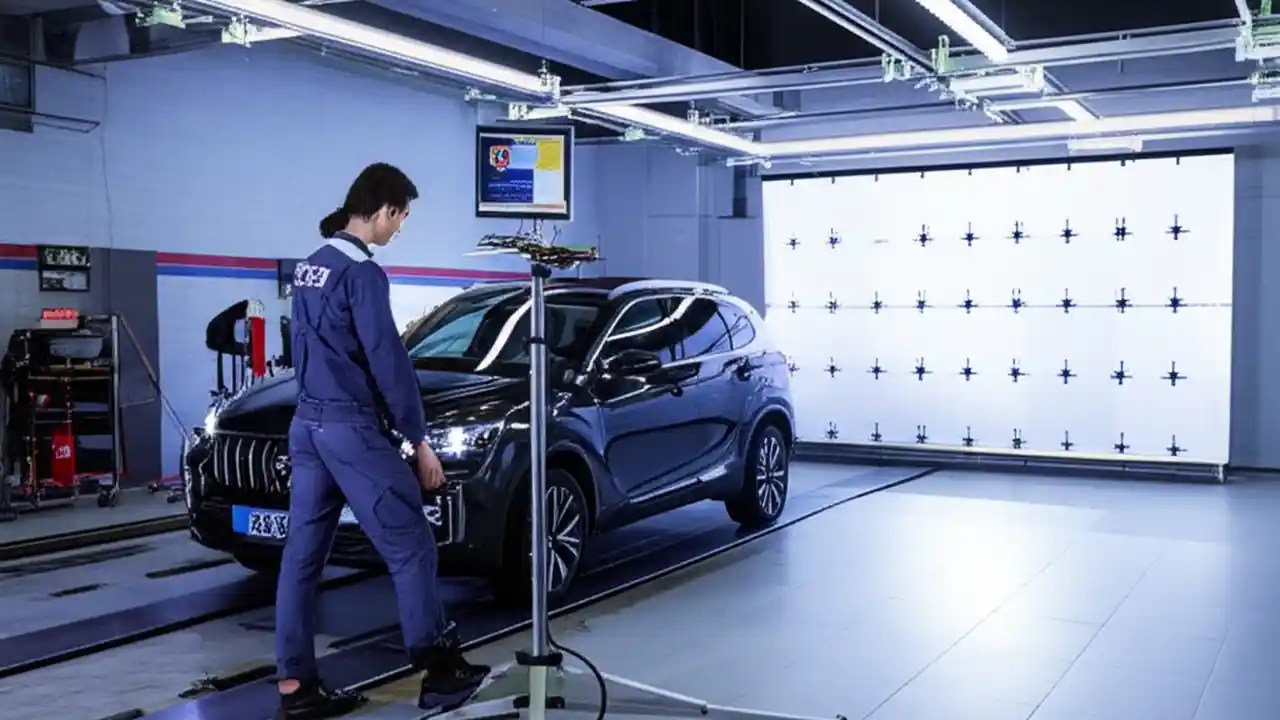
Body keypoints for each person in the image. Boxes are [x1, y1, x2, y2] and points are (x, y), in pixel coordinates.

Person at [274, 162, 490, 719]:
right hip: (349, 429)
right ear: (386, 209)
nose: (400, 230)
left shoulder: (311, 266)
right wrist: (418, 440)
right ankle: (440, 671)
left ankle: (295, 685)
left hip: (308, 425)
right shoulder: (363, 273)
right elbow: (388, 361)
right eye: (403, 217)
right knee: (411, 542)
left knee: (302, 556)